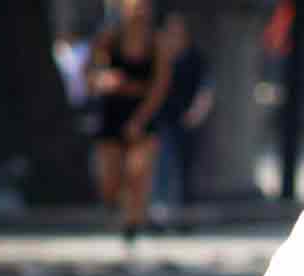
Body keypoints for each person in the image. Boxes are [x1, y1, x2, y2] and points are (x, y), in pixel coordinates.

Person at [85, 0, 171, 242]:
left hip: (143, 113)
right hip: (112, 113)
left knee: (138, 171)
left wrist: (139, 120)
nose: (139, 12)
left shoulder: (156, 43)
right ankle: (117, 206)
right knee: (109, 178)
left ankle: (132, 223)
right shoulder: (109, 39)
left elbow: (160, 86)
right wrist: (103, 80)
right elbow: (89, 73)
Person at [153, 12, 214, 231]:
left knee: (185, 171)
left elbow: (205, 89)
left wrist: (197, 112)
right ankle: (159, 218)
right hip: (163, 119)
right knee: (162, 170)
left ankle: (184, 219)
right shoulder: (160, 56)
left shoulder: (195, 57)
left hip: (187, 121)